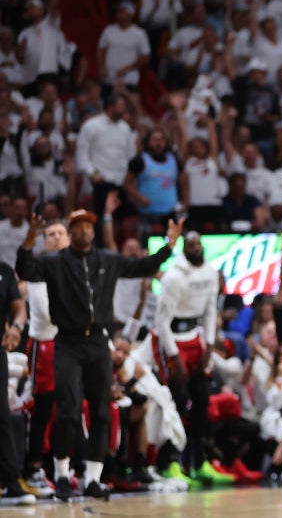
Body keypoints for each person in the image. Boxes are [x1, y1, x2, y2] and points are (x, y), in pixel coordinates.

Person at [15, 210, 182, 500]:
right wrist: (29, 241)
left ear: (93, 231)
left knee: (102, 411)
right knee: (68, 410)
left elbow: (144, 266)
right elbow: (26, 269)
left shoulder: (107, 259)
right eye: (77, 226)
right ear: (71, 232)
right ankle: (62, 473)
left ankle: (93, 478)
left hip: (98, 344)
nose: (84, 231)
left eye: (88, 226)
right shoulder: (54, 262)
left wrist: (168, 245)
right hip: (67, 342)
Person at [154, 231, 233, 485]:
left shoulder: (210, 273)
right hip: (172, 340)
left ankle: (200, 462)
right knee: (176, 402)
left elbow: (211, 310)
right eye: (190, 244)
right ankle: (171, 463)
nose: (195, 247)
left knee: (201, 401)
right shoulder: (173, 277)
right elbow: (161, 321)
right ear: (185, 249)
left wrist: (209, 345)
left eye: (198, 243)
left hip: (196, 337)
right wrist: (175, 359)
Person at [22, 219, 69, 496]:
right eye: (50, 234)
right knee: (43, 409)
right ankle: (35, 467)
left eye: (60, 233)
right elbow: (44, 310)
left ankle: (63, 468)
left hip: (71, 342)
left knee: (70, 409)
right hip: (46, 343)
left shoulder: (76, 264)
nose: (55, 238)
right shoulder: (40, 268)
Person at [0, 260, 35, 505]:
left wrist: (17, 326)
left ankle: (12, 481)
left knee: (2, 416)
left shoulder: (3, 270)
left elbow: (18, 307)